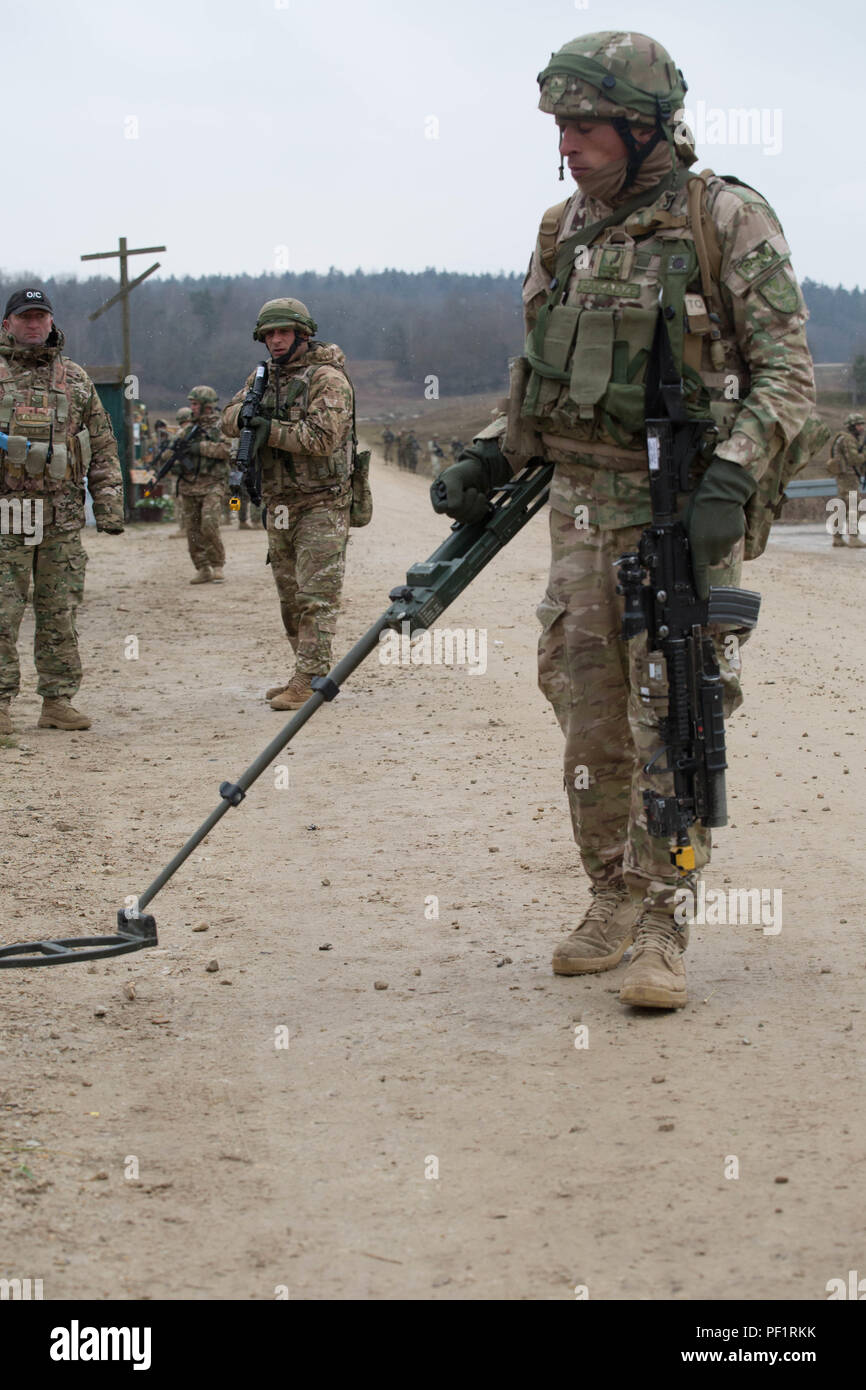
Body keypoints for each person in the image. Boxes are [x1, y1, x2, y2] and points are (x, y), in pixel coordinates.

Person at [431, 31, 818, 1009]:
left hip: (679, 507)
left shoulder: (722, 217)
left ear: (643, 125)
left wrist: (728, 480)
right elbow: (542, 377)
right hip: (577, 511)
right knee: (583, 709)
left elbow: (784, 378)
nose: (566, 144)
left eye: (583, 124)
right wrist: (489, 448)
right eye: (559, 126)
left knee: (674, 715)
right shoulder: (562, 230)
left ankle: (661, 923)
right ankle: (608, 894)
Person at [0, 287, 123, 732]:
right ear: (8, 323)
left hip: (62, 517)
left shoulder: (74, 379)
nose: (33, 324)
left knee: (60, 610)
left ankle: (57, 700)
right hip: (7, 516)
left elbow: (103, 444)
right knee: (2, 611)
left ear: (51, 322)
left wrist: (108, 502)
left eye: (40, 317)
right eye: (24, 317)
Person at [222, 298, 355, 710]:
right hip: (279, 502)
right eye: (269, 335)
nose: (275, 341)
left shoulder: (328, 379)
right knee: (290, 596)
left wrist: (270, 429)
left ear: (303, 334)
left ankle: (307, 679)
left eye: (282, 333)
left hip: (322, 502)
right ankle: (310, 673)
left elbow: (322, 439)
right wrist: (245, 417)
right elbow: (227, 416)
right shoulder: (262, 377)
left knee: (317, 594)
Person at [174, 386, 231, 583]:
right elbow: (171, 455)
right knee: (192, 530)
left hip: (213, 483)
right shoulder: (187, 429)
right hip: (189, 485)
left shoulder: (222, 426)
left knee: (209, 523)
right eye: (191, 403)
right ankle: (202, 567)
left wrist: (200, 447)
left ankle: (217, 564)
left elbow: (227, 450)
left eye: (195, 403)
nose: (192, 407)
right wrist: (176, 456)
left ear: (207, 406)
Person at [827, 412, 866, 549]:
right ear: (852, 426)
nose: (861, 428)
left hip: (843, 477)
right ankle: (853, 538)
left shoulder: (841, 437)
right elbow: (854, 459)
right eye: (859, 425)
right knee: (854, 506)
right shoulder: (848, 439)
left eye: (862, 424)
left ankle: (837, 538)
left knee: (841, 506)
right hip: (849, 477)